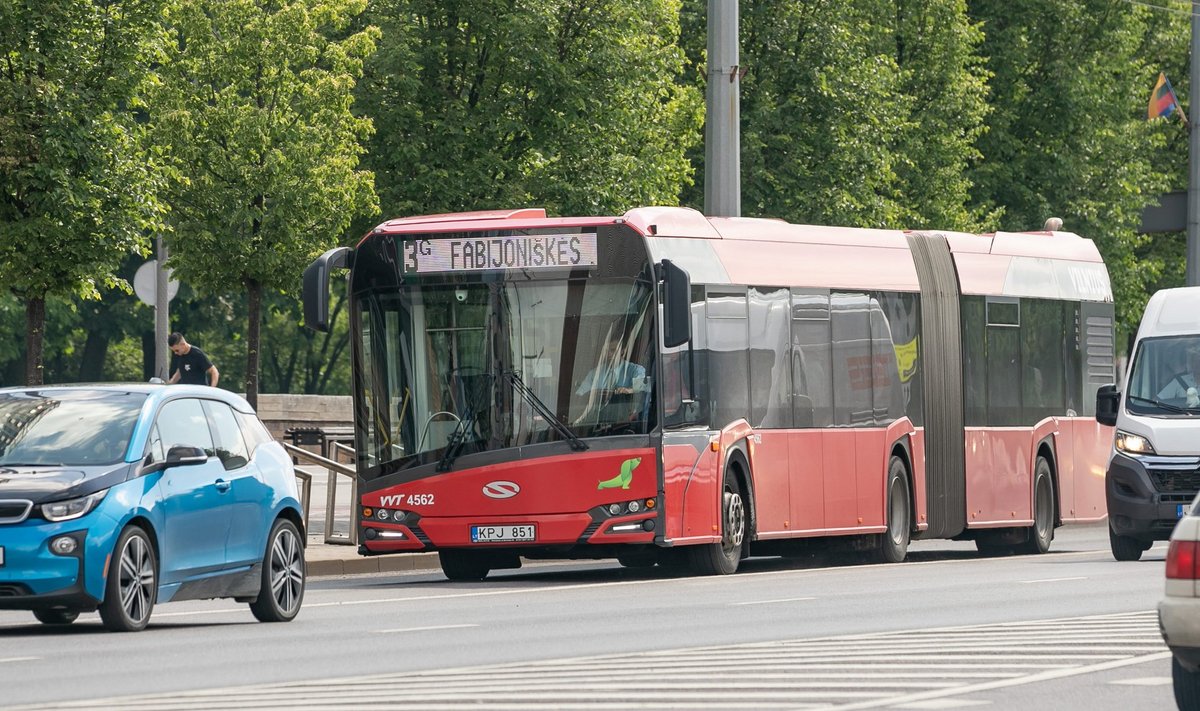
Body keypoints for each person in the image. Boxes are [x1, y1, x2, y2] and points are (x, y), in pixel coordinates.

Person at [575, 338, 646, 396]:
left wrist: (628, 390)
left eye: (612, 350)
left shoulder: (635, 369)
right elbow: (580, 393)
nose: (608, 354)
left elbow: (639, 387)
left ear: (623, 351)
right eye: (606, 351)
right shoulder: (595, 373)